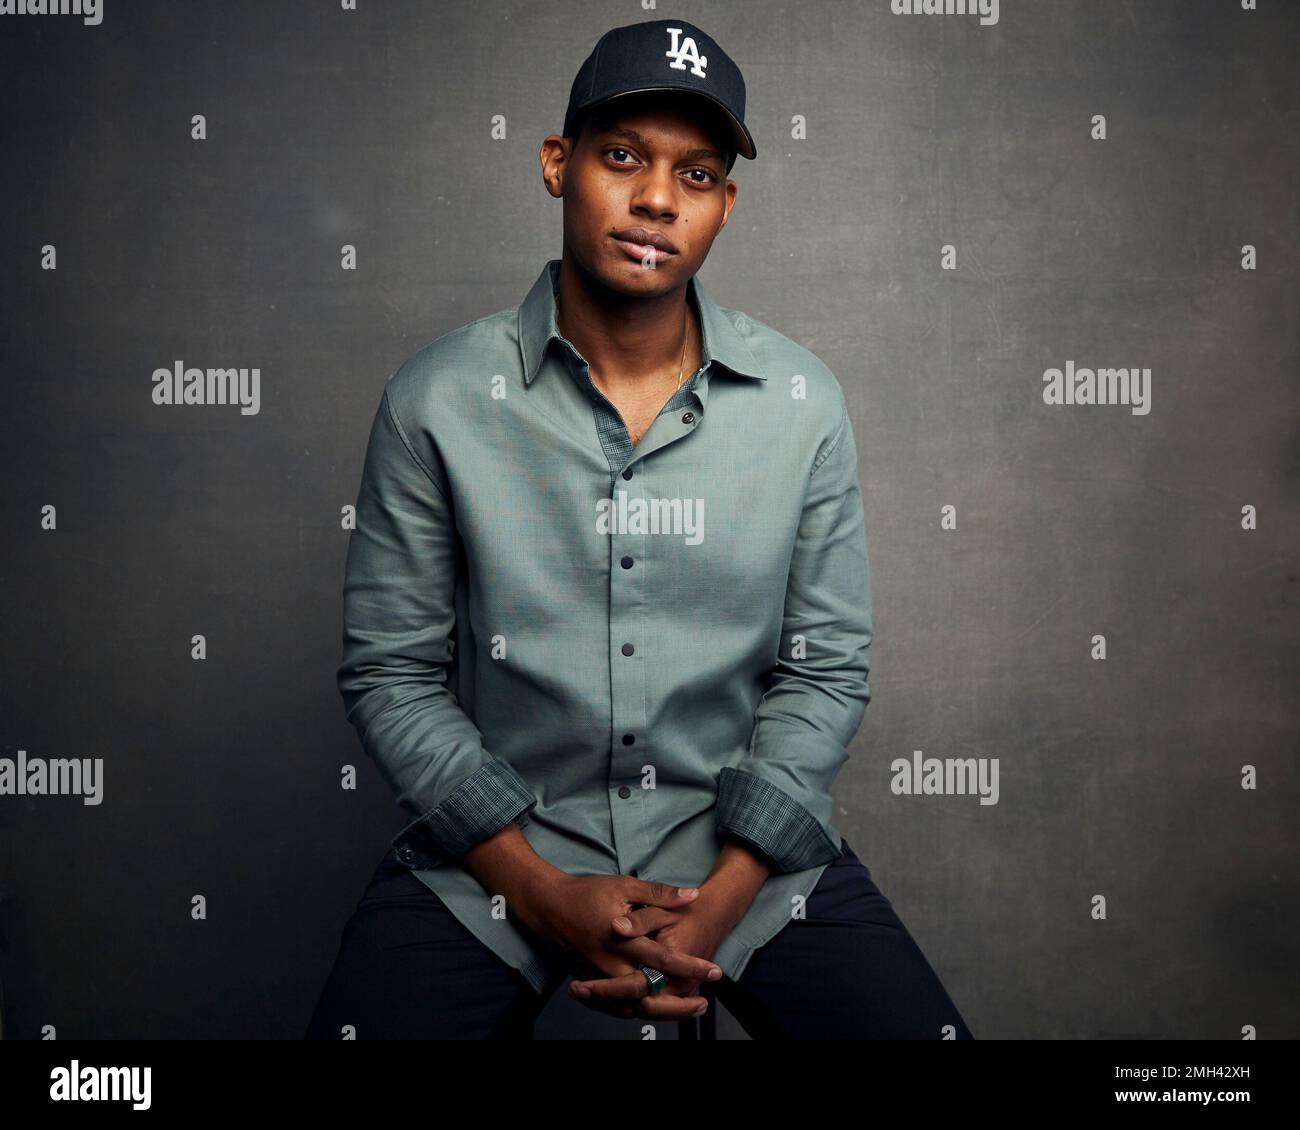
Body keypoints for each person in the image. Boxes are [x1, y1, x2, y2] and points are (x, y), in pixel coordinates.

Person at [306, 17, 973, 1040]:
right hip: (491, 859)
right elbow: (390, 673)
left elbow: (825, 668)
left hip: (747, 857)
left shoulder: (800, 403)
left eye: (696, 174)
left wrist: (728, 887)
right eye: (622, 156)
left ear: (723, 205)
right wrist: (531, 887)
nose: (657, 197)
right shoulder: (435, 399)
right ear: (556, 163)